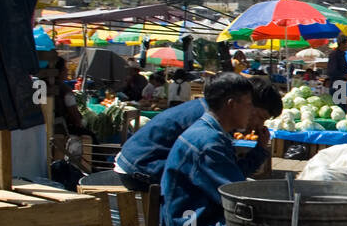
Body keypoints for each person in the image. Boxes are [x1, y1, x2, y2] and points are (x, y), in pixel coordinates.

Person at [160, 74, 264, 226]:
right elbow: (236, 195)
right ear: (231, 104)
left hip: (193, 225)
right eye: (249, 104)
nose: (252, 111)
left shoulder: (210, 132)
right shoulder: (209, 143)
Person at [116, 77, 280, 192]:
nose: (260, 125)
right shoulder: (208, 124)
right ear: (242, 104)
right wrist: (259, 151)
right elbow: (229, 178)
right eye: (261, 117)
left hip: (136, 164)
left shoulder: (215, 111)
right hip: (140, 171)